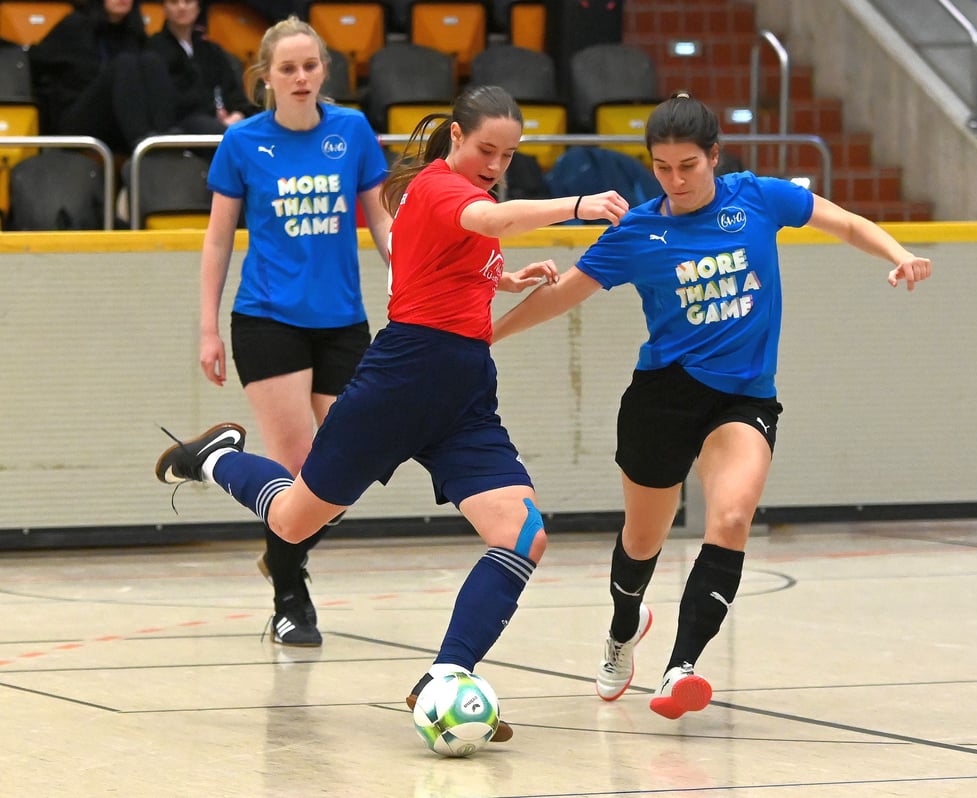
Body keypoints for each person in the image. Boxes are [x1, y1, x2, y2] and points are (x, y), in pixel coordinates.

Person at [155, 83, 629, 741]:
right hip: (401, 380)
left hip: (464, 393)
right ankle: (216, 459)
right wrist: (578, 205)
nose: (496, 164)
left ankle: (444, 677)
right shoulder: (438, 187)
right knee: (293, 523)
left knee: (522, 534)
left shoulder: (471, 195)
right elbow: (488, 224)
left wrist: (506, 279)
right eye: (486, 149)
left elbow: (452, 262)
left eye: (509, 154)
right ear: (457, 139)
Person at [492, 92, 932, 720]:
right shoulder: (640, 231)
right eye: (663, 168)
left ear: (714, 157)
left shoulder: (758, 198)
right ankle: (622, 629)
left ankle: (681, 668)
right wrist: (487, 336)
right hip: (662, 399)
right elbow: (563, 295)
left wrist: (898, 255)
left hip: (743, 398)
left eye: (688, 166)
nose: (676, 180)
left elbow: (845, 222)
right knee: (643, 540)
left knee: (729, 518)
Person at [194, 17, 392, 647]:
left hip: (343, 322)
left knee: (342, 472)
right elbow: (219, 238)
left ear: (324, 69)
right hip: (267, 320)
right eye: (288, 69)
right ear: (266, 78)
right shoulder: (244, 144)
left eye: (310, 66)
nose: (301, 78)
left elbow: (383, 223)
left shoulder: (352, 132)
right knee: (299, 465)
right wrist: (208, 328)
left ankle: (214, 461)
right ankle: (290, 598)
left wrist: (408, 281)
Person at [29, 0, 178, 155]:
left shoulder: (134, 34)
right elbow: (36, 61)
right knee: (124, 63)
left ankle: (165, 139)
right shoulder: (74, 26)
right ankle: (142, 146)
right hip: (78, 118)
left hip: (118, 122)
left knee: (151, 60)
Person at [147, 0, 256, 135]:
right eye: (174, 2)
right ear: (164, 8)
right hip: (182, 122)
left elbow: (234, 92)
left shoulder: (212, 51)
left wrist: (237, 115)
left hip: (221, 122)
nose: (182, 7)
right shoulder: (153, 49)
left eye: (188, 2)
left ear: (198, 7)